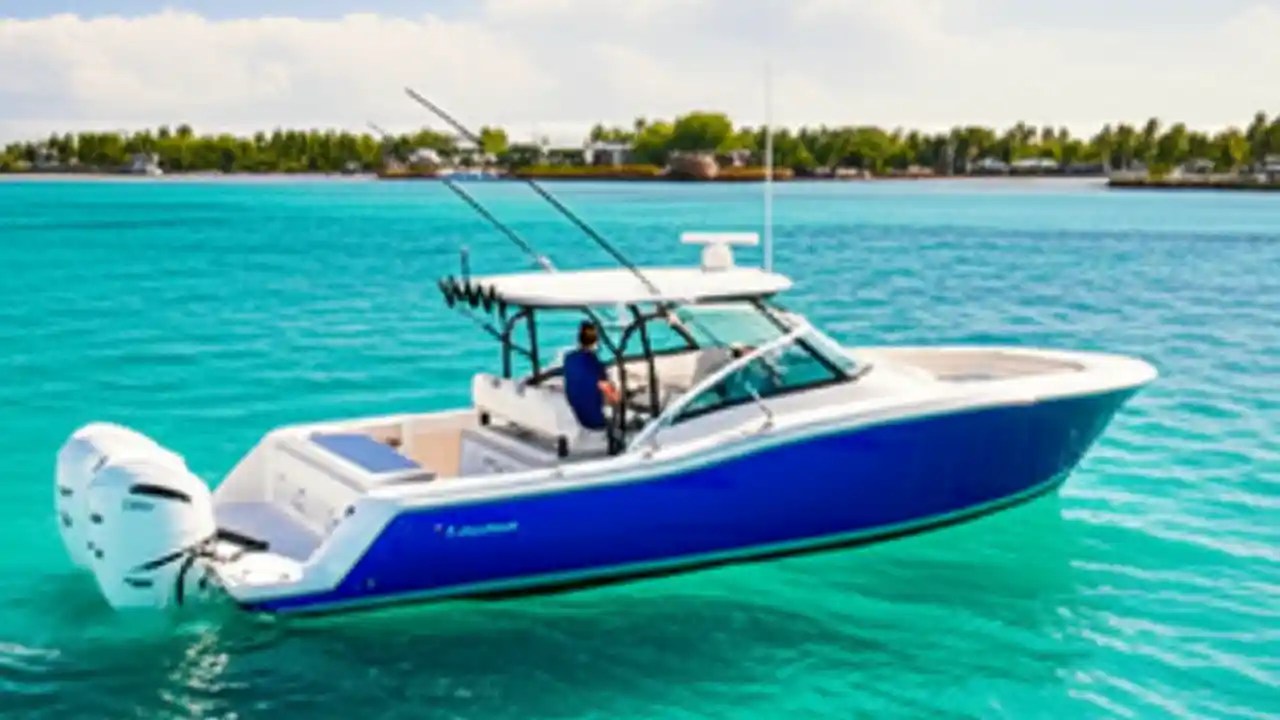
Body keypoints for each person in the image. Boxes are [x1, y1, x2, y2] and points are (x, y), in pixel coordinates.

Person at [563, 321, 620, 430]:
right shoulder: (595, 364)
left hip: (577, 416)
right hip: (595, 422)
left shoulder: (569, 358)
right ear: (596, 341)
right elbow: (610, 393)